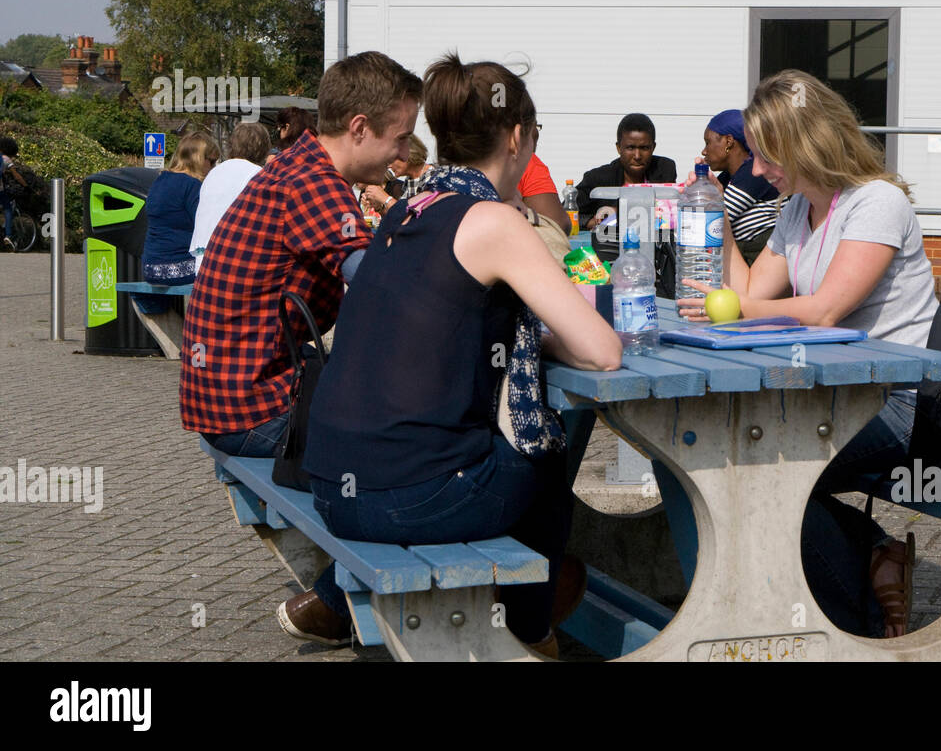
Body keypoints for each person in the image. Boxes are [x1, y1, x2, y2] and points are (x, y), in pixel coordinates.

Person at [302, 52, 622, 657]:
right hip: (405, 499)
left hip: (332, 488)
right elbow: (603, 352)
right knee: (544, 452)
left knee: (520, 451)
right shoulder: (495, 221)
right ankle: (531, 631)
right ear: (519, 136)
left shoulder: (406, 208)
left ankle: (532, 612)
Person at [677, 70, 939, 639]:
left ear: (808, 144)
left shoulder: (877, 203)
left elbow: (822, 311)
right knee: (715, 464)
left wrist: (738, 310)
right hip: (830, 394)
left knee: (759, 472)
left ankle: (852, 621)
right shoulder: (796, 210)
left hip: (894, 403)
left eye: (771, 157)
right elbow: (751, 295)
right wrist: (716, 220)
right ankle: (871, 554)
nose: (761, 170)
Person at [180, 51, 420, 645]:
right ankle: (344, 602)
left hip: (224, 396)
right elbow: (378, 283)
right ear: (360, 128)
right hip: (254, 410)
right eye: (401, 136)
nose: (404, 153)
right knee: (417, 454)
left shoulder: (293, 166)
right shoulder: (316, 183)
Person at [576, 114, 678, 294]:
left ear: (653, 147)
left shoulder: (665, 169)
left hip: (655, 265)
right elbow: (568, 212)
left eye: (644, 148)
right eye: (630, 147)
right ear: (618, 148)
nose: (637, 155)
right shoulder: (598, 178)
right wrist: (593, 221)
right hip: (611, 264)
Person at [700, 108, 780, 265]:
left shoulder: (753, 173)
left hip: (761, 263)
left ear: (728, 142)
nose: (704, 151)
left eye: (708, 142)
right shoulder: (727, 177)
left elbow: (712, 221)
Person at [189, 123, 272, 273]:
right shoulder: (258, 175)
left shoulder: (214, 173)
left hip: (203, 261)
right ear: (264, 149)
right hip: (234, 261)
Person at [142, 132, 220, 286]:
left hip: (150, 267)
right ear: (200, 160)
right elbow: (206, 230)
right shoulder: (193, 186)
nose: (213, 167)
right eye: (212, 161)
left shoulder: (160, 180)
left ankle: (162, 311)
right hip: (177, 268)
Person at [0, 136, 28, 252]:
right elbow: (16, 175)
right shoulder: (6, 159)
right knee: (8, 209)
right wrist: (26, 185)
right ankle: (8, 235)